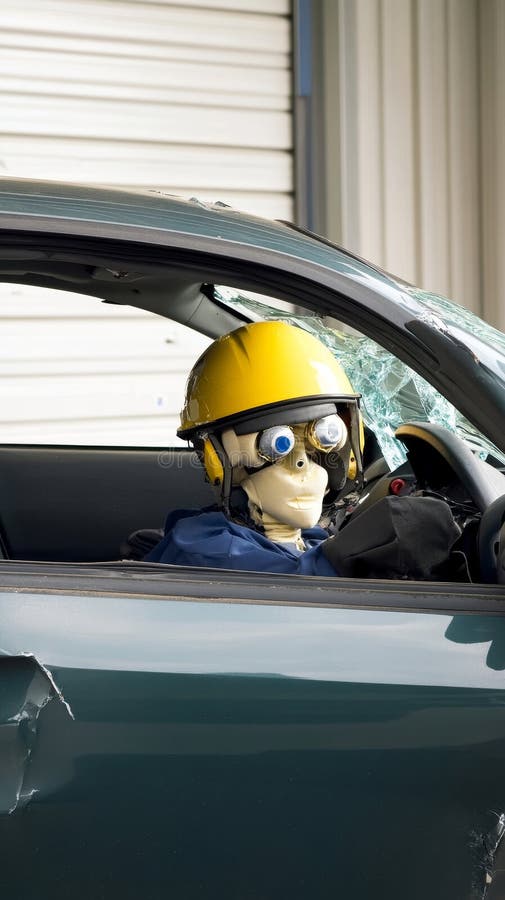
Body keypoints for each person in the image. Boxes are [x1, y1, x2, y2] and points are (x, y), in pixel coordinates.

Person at [146, 321, 460, 577]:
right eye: (275, 444)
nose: (301, 462)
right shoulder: (207, 551)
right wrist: (355, 553)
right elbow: (296, 584)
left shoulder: (304, 537)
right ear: (219, 461)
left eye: (324, 436)